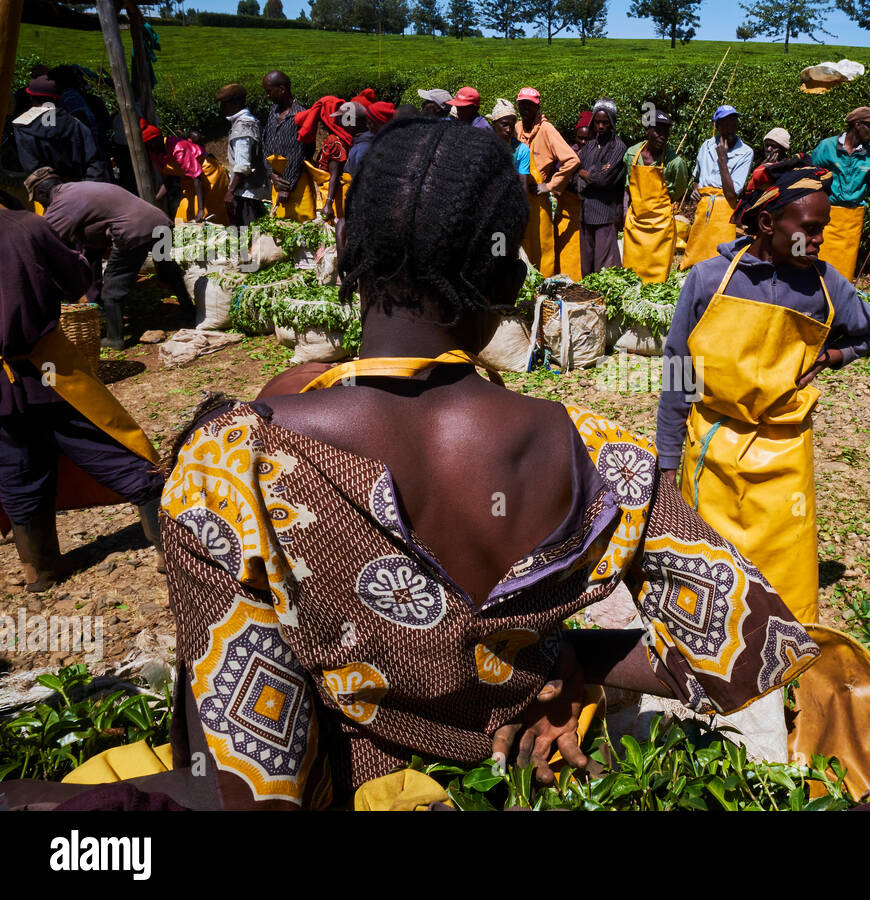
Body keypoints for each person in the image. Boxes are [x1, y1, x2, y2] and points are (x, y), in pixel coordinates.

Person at [157, 119, 820, 808]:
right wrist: (557, 664)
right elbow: (752, 648)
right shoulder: (600, 454)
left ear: (347, 248)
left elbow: (247, 767)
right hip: (528, 785)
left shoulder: (233, 465)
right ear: (508, 276)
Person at [655, 159, 870, 624]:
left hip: (785, 454)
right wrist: (666, 466)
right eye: (810, 229)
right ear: (767, 222)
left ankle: (782, 668)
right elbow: (679, 372)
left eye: (823, 230)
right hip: (714, 449)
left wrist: (835, 356)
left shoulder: (823, 285)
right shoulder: (709, 279)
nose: (819, 241)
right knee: (711, 578)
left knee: (783, 580)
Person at [0, 212, 166, 592]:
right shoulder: (23, 227)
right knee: (110, 444)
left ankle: (39, 569)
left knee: (17, 464)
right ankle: (167, 545)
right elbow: (76, 281)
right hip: (46, 367)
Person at [28, 169, 194, 348]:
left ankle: (114, 338)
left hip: (133, 232)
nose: (43, 207)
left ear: (43, 193)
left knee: (112, 290)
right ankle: (190, 314)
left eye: (39, 200)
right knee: (169, 272)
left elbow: (45, 240)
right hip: (161, 224)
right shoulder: (78, 188)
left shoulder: (61, 203)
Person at [810, 106, 870, 281]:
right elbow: (811, 174)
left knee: (843, 271)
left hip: (852, 219)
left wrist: (855, 196)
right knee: (817, 264)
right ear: (858, 125)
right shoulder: (826, 147)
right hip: (826, 215)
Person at [516, 87, 581, 280]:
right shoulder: (517, 128)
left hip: (538, 199)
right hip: (519, 197)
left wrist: (550, 185)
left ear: (538, 107)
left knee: (541, 248)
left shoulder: (546, 129)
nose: (525, 108)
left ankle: (543, 291)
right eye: (522, 104)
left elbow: (572, 159)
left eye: (530, 105)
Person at [622, 109, 691, 284]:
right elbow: (627, 185)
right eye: (658, 131)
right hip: (636, 222)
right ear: (647, 130)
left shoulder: (675, 163)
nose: (663, 136)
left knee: (656, 278)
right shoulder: (631, 154)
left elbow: (678, 189)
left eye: (666, 132)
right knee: (632, 273)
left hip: (661, 226)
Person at [682, 105, 754, 269]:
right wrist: (695, 189)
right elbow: (697, 177)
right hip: (704, 206)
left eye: (733, 122)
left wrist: (722, 159)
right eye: (725, 123)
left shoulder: (745, 152)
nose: (730, 127)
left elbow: (731, 194)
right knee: (697, 251)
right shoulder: (706, 145)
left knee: (720, 256)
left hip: (725, 207)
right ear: (717, 126)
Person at [12, 75, 110, 183]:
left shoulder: (22, 125)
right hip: (78, 186)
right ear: (58, 98)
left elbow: (32, 166)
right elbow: (94, 161)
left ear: (31, 98)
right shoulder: (75, 124)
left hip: (46, 190)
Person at [574, 99, 627, 275]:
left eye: (605, 122)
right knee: (586, 264)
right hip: (585, 212)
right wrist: (588, 174)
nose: (601, 126)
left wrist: (585, 174)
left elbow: (605, 179)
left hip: (605, 213)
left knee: (604, 267)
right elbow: (575, 173)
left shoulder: (618, 147)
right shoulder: (589, 146)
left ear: (612, 122)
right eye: (598, 122)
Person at [142, 119, 227, 225]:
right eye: (146, 145)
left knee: (209, 215)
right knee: (182, 218)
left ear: (158, 139)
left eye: (150, 144)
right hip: (189, 180)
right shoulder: (155, 153)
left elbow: (197, 178)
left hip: (208, 176)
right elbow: (168, 179)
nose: (149, 147)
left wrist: (200, 210)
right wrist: (155, 200)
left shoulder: (178, 148)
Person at [215, 83, 269, 227]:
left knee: (247, 234)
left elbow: (243, 166)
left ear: (236, 103)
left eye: (224, 104)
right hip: (253, 188)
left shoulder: (242, 127)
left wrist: (230, 192)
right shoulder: (251, 121)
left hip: (245, 191)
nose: (222, 108)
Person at [293, 95, 352, 224]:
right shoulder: (341, 139)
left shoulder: (333, 144)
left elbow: (334, 176)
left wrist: (328, 204)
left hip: (334, 200)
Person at [262, 71, 311, 221]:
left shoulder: (301, 114)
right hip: (277, 182)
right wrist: (271, 174)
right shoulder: (273, 112)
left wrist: (287, 185)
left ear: (282, 89)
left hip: (295, 183)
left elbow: (300, 152)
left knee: (301, 229)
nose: (267, 96)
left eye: (269, 92)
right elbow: (265, 144)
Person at [489, 97, 532, 196]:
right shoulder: (484, 146)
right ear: (494, 124)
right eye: (504, 125)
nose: (509, 130)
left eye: (512, 126)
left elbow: (522, 183)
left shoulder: (522, 149)